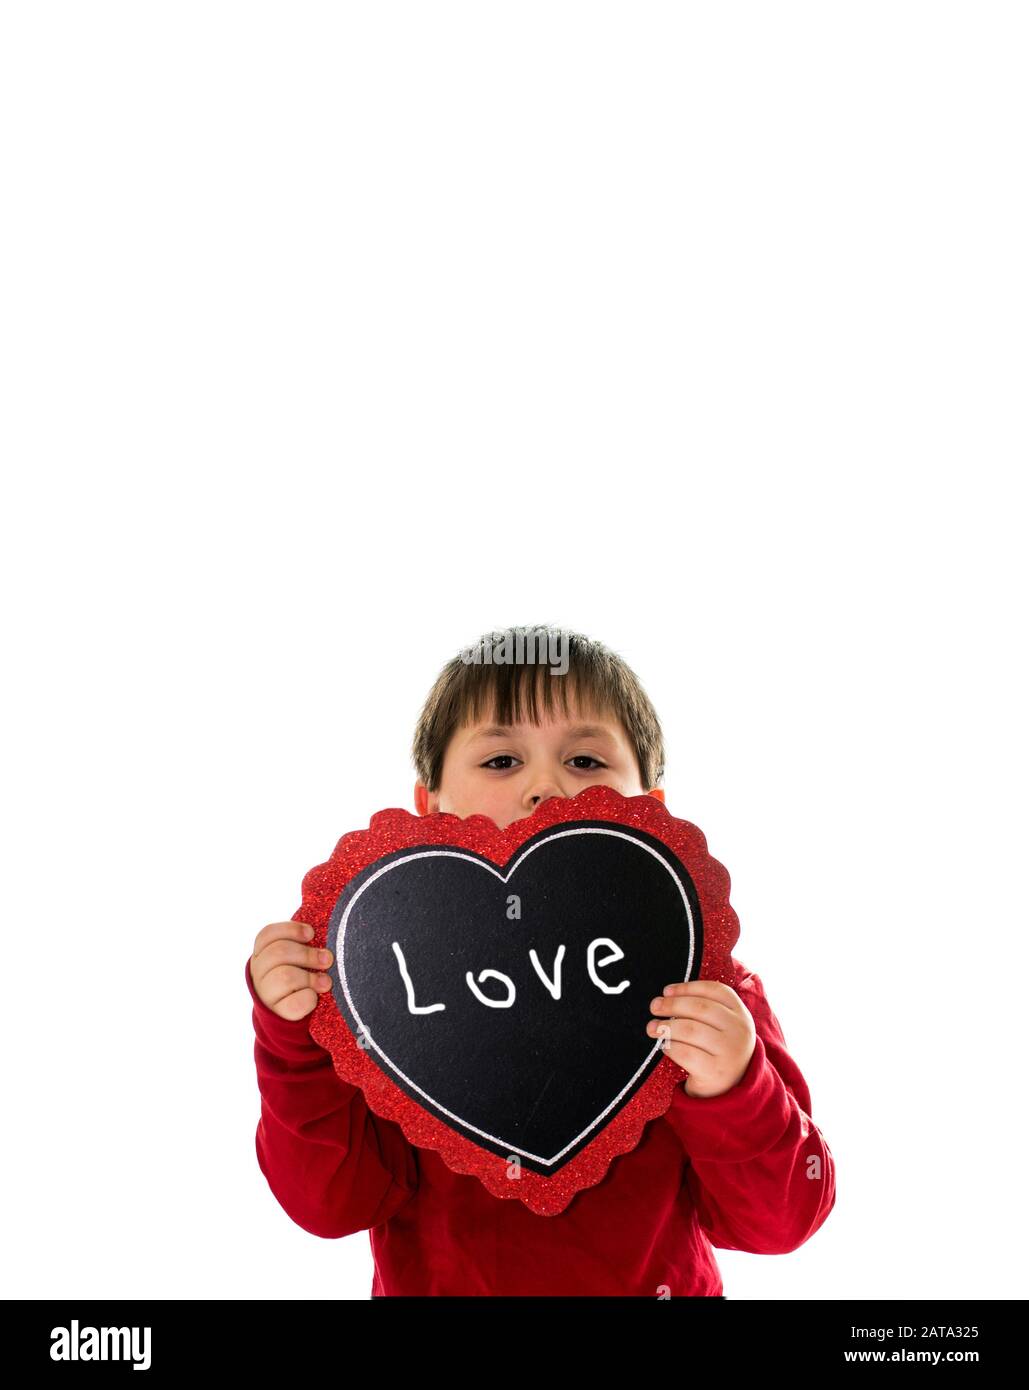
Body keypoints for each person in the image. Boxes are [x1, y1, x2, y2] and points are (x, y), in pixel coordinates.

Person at [245, 625, 836, 1295]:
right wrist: (297, 1041)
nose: (546, 789)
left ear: (649, 810)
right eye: (501, 761)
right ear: (428, 807)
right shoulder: (382, 986)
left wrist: (733, 1085)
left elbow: (781, 1223)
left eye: (586, 761)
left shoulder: (703, 986)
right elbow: (331, 1205)